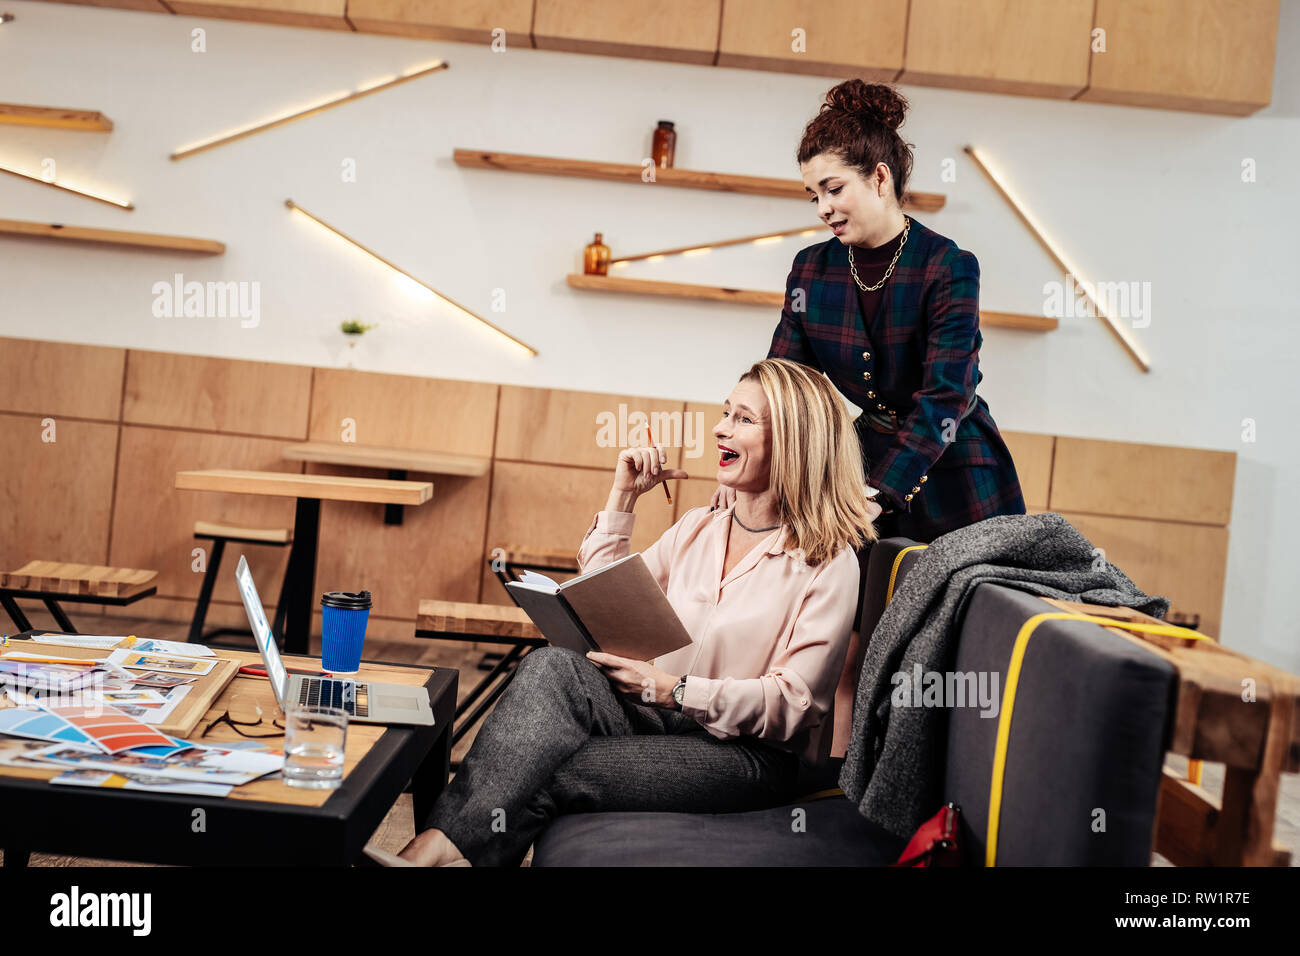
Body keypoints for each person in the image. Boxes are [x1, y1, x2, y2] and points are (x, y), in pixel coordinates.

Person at [370, 358, 878, 867]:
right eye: (726, 412)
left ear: (793, 442)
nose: (721, 427)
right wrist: (623, 497)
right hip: (660, 717)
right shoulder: (699, 527)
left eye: (744, 419)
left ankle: (426, 854)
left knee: (550, 765)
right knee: (550, 665)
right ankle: (433, 855)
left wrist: (673, 689)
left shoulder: (827, 561)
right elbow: (607, 602)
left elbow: (797, 703)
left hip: (746, 755)